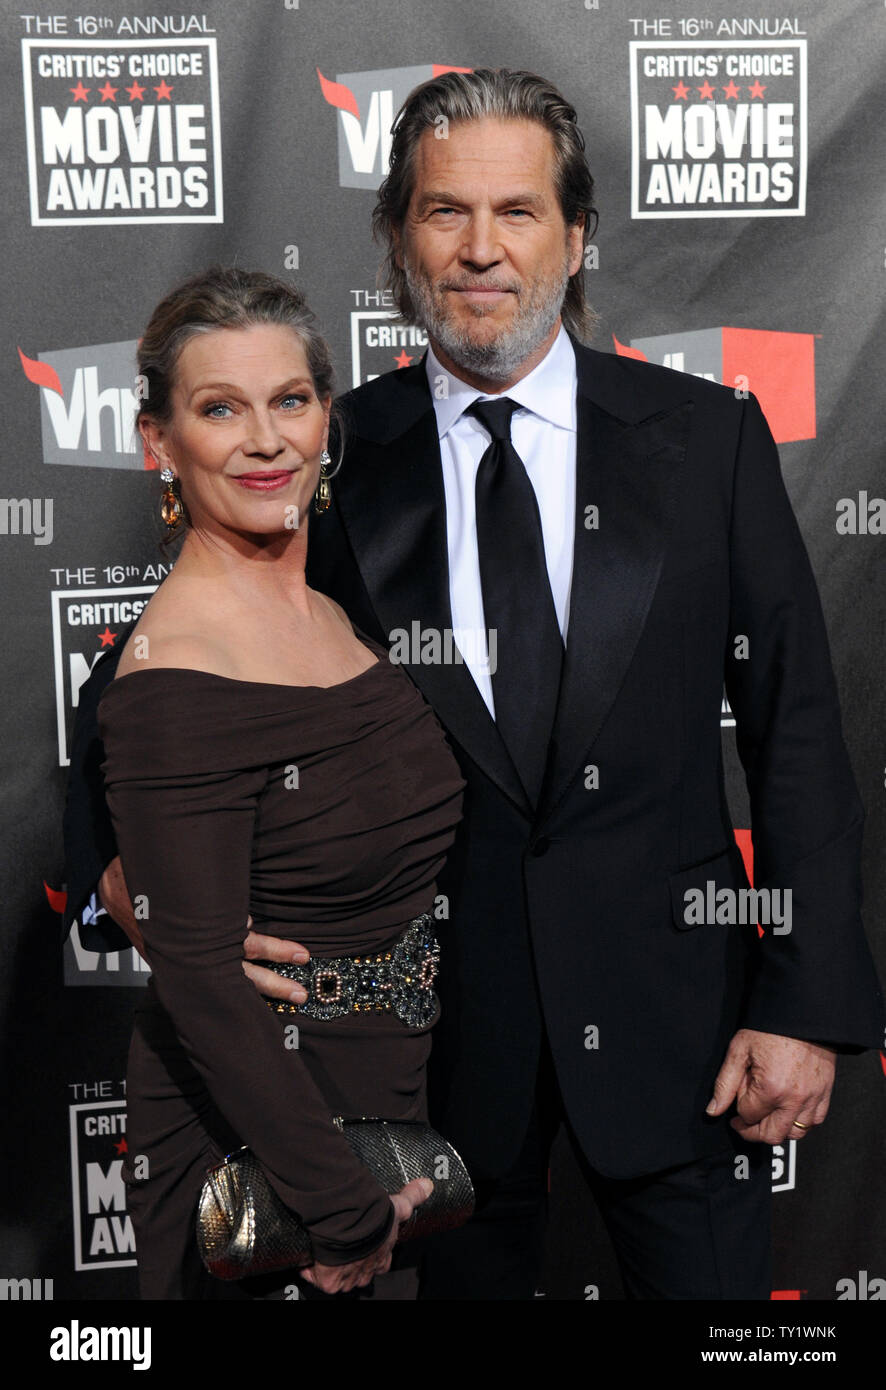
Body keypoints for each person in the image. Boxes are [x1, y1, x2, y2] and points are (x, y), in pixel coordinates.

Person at [65, 69, 885, 1301]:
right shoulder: (333, 450)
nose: (481, 250)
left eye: (516, 212)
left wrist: (807, 1003)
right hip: (425, 1068)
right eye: (445, 213)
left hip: (687, 1032)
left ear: (577, 234)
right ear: (398, 238)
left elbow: (800, 732)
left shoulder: (704, 440)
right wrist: (120, 879)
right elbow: (166, 666)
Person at [80, 267, 465, 1300]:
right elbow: (203, 983)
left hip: (383, 1111)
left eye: (289, 401)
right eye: (219, 409)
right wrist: (338, 1207)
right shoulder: (174, 672)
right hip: (257, 1153)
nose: (264, 440)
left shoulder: (337, 614)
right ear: (155, 440)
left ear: (325, 416)